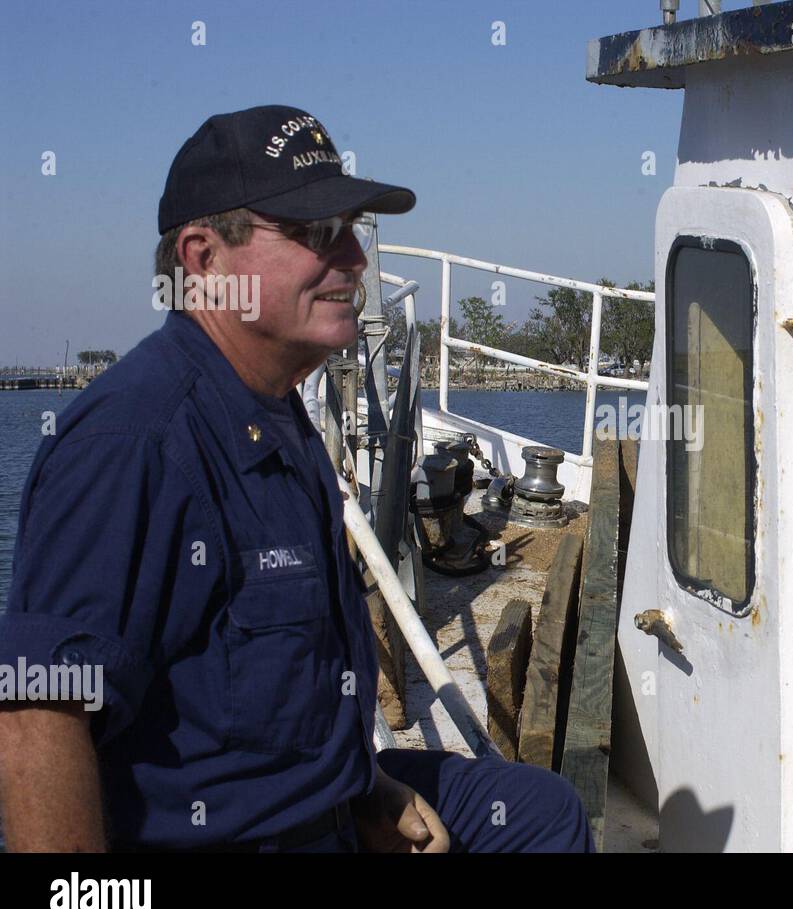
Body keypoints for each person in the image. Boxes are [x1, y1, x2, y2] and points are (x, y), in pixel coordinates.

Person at [0, 105, 593, 853]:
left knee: (541, 814)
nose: (354, 260)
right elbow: (35, 716)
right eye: (316, 234)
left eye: (349, 230)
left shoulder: (274, 408)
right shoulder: (134, 442)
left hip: (329, 803)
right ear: (204, 259)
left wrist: (370, 791)